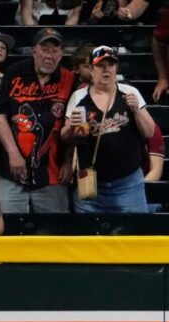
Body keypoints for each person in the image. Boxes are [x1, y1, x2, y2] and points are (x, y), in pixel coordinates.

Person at [62, 46, 154, 213]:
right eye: (100, 65)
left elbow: (149, 132)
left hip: (128, 182)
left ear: (116, 68)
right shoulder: (79, 97)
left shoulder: (129, 92)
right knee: (89, 237)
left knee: (133, 234)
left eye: (110, 65)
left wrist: (137, 111)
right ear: (91, 69)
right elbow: (66, 137)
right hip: (90, 182)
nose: (106, 70)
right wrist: (70, 128)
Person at [0, 27, 76, 213]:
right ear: (34, 51)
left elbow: (73, 124)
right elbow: (0, 116)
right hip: (10, 170)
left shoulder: (69, 79)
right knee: (8, 229)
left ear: (61, 54)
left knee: (54, 233)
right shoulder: (15, 72)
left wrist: (69, 161)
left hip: (53, 172)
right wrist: (13, 153)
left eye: (55, 50)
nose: (50, 55)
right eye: (45, 49)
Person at [17, 0, 82, 25]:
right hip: (33, 23)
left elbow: (75, 15)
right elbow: (26, 13)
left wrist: (64, 34)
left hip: (64, 23)